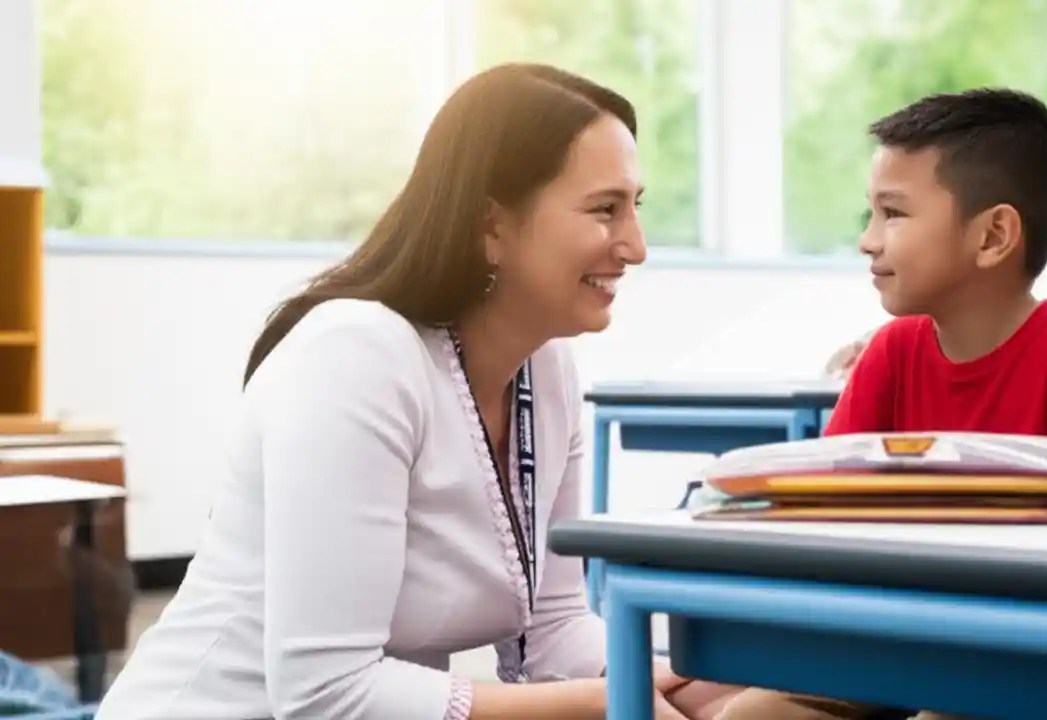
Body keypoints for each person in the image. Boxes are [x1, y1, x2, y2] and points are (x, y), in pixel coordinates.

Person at [95, 63, 732, 720]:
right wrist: (613, 702)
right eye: (605, 209)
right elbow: (325, 695)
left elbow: (556, 633)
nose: (636, 245)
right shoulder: (357, 357)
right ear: (491, 226)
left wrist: (694, 679)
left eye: (636, 206)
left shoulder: (547, 371)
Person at [717, 88, 1047, 720]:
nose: (868, 241)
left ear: (993, 236)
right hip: (895, 645)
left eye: (892, 214)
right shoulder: (891, 354)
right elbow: (820, 518)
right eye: (870, 215)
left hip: (1036, 659)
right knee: (748, 716)